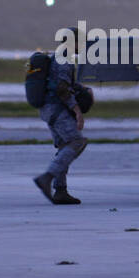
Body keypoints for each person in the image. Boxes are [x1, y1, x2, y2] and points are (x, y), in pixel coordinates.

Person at [34, 26, 89, 205]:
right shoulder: (63, 59)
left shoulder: (57, 57)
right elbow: (62, 89)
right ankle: (47, 177)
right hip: (57, 109)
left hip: (49, 109)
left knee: (65, 147)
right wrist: (77, 111)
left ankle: (60, 191)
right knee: (76, 142)